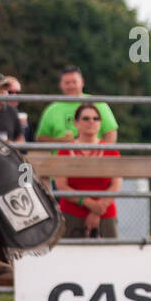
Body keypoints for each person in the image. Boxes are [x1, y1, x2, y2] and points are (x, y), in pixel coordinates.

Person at [54, 102, 121, 239]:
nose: (91, 122)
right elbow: (61, 186)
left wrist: (97, 211)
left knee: (111, 257)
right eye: (86, 118)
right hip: (71, 214)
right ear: (76, 123)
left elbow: (116, 185)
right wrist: (89, 203)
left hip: (105, 213)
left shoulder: (111, 150)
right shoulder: (65, 150)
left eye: (96, 118)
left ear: (101, 123)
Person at [35, 65, 119, 143]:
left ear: (82, 82)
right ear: (60, 85)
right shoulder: (52, 109)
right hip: (61, 158)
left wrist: (104, 155)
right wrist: (60, 141)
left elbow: (111, 133)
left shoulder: (98, 103)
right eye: (67, 83)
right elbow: (40, 138)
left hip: (94, 157)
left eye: (74, 82)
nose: (71, 86)